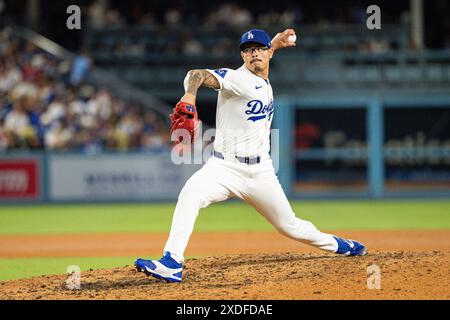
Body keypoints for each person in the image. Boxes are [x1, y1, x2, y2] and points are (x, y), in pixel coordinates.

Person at [135, 28, 367, 283]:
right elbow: (196, 74)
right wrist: (190, 95)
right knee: (190, 193)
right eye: (247, 50)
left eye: (258, 48)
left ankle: (339, 244)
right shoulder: (237, 79)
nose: (253, 53)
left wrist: (275, 44)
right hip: (224, 168)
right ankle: (172, 262)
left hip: (260, 172)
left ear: (268, 52)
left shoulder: (262, 77)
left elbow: (263, 59)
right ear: (242, 56)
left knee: (290, 226)